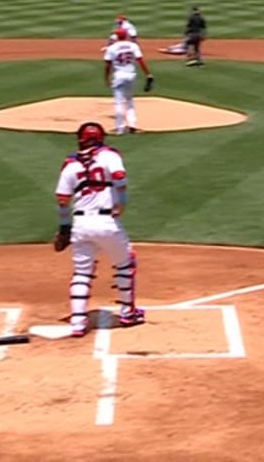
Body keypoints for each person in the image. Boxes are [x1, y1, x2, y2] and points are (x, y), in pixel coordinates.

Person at [53, 123, 145, 337]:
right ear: (101, 138)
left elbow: (62, 200)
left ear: (80, 139)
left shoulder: (70, 165)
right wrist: (121, 202)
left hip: (80, 225)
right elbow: (120, 178)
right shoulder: (109, 155)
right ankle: (127, 313)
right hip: (106, 223)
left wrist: (64, 228)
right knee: (125, 264)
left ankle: (77, 322)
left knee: (81, 273)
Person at [103, 28, 153, 135]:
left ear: (116, 36)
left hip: (119, 76)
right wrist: (147, 73)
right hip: (131, 75)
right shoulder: (133, 46)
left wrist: (106, 78)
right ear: (126, 35)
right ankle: (132, 124)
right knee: (129, 100)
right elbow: (140, 60)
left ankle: (120, 128)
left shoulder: (111, 48)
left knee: (119, 102)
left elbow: (108, 65)